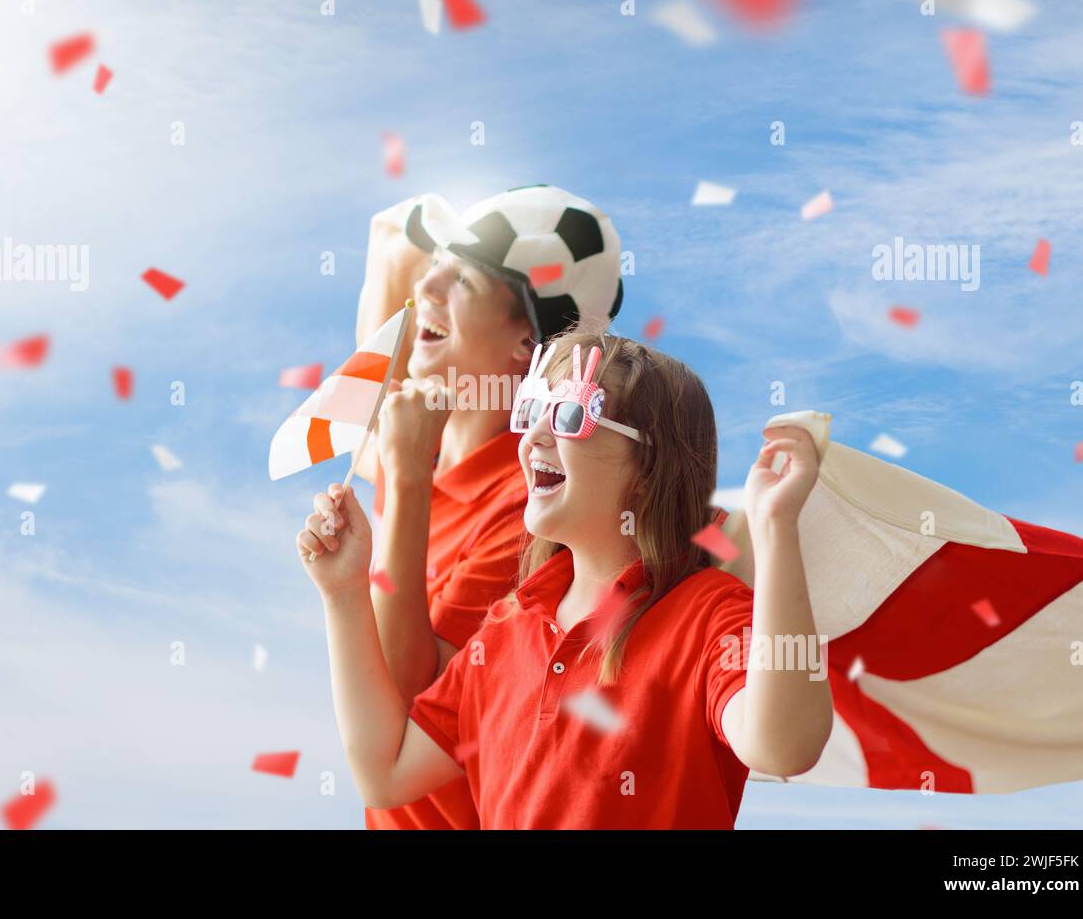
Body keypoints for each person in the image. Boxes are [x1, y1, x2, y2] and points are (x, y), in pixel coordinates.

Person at [297, 329, 834, 828]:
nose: (532, 436)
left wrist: (775, 526)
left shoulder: (708, 613)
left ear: (650, 472)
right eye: (530, 409)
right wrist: (344, 594)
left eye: (571, 414)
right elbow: (385, 774)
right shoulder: (504, 631)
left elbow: (783, 746)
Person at [316, 186, 625, 828]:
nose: (426, 287)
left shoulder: (531, 504)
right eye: (437, 267)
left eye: (465, 280)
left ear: (526, 347)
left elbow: (408, 707)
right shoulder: (417, 450)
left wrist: (402, 480)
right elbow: (388, 238)